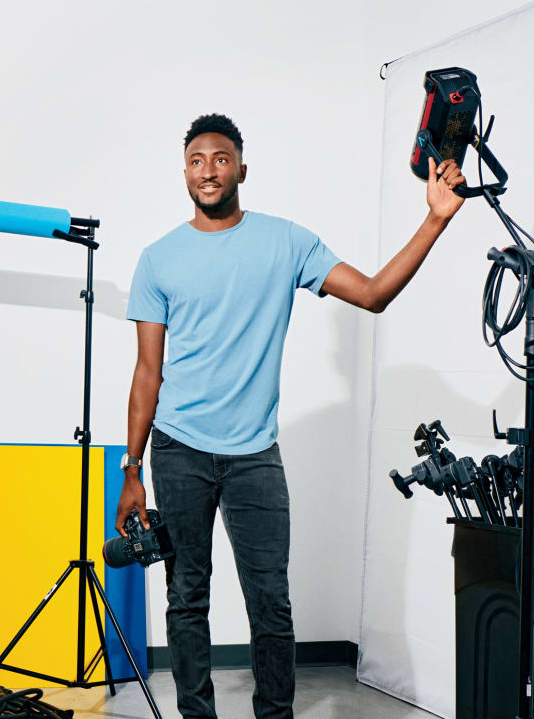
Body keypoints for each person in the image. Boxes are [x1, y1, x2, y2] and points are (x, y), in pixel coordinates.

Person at [116, 113, 467, 719]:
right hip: (178, 449)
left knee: (271, 603)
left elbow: (374, 293)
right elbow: (148, 372)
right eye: (197, 160)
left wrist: (434, 219)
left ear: (242, 169)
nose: (209, 170)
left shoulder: (286, 242)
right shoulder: (159, 259)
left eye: (221, 158)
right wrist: (132, 468)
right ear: (184, 173)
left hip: (253, 453)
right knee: (186, 597)